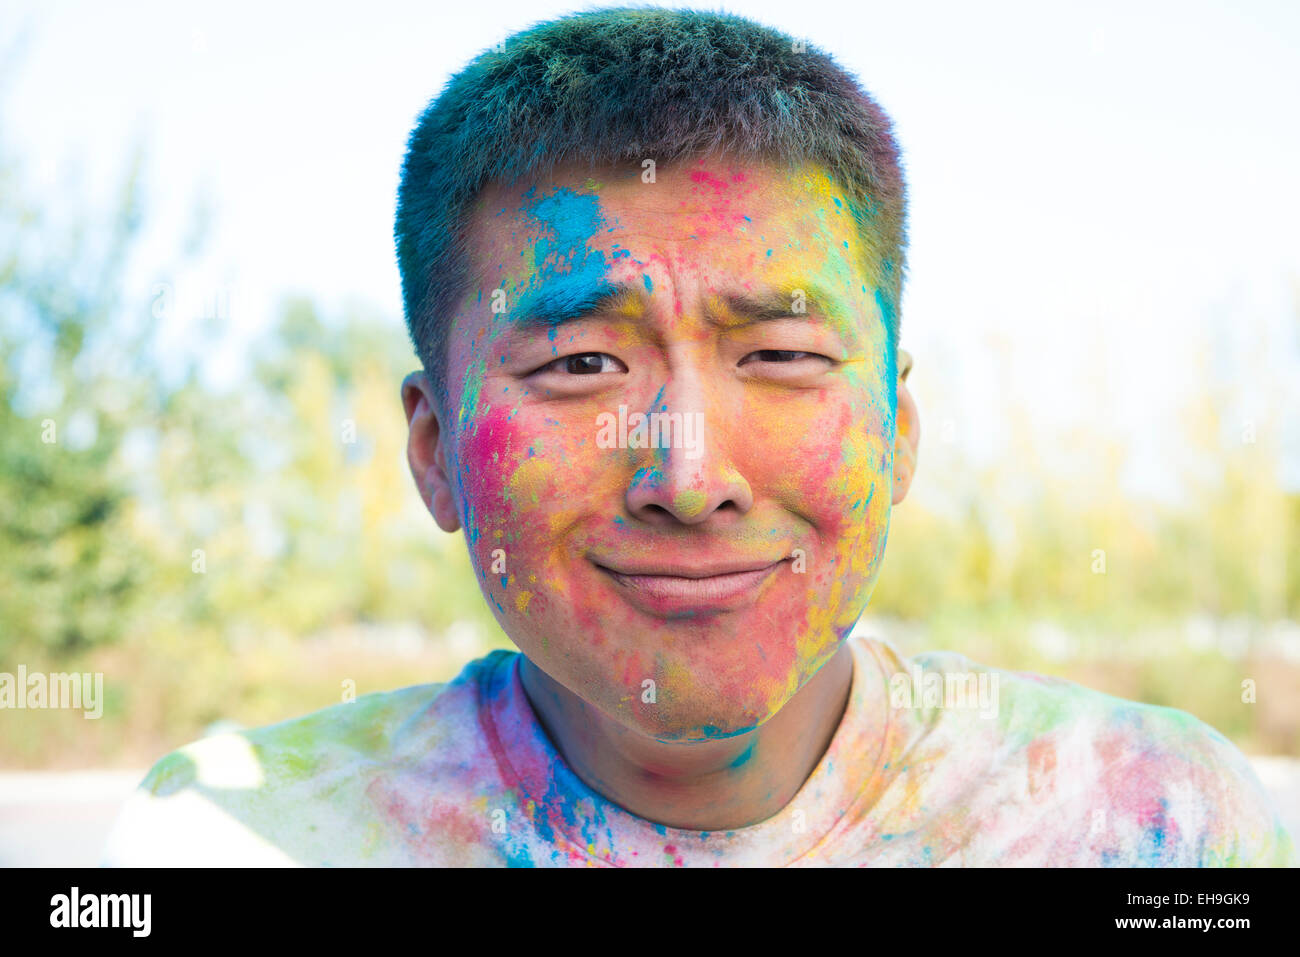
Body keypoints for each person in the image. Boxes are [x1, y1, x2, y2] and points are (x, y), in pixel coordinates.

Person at [102, 7, 1294, 867]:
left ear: (898, 436)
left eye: (778, 356)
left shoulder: (1153, 829)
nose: (687, 477)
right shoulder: (230, 842)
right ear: (432, 451)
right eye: (578, 364)